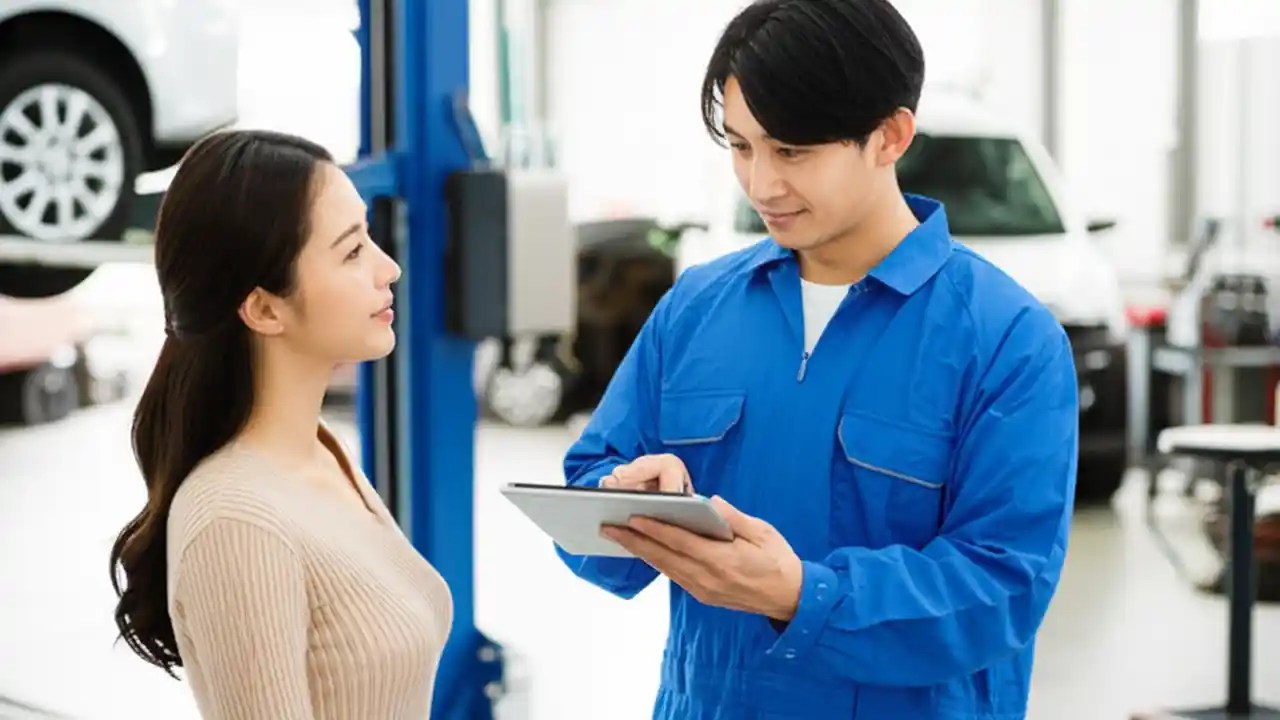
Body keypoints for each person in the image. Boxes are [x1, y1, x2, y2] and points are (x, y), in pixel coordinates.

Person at [555, 1, 1078, 718]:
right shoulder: (696, 310)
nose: (762, 183)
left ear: (890, 136)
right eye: (742, 147)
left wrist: (799, 594)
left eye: (793, 151)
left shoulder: (1007, 339)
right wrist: (628, 498)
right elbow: (586, 494)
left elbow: (1002, 586)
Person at [108, 130, 453, 719]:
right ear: (265, 308)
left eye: (368, 238)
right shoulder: (236, 521)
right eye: (351, 252)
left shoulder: (321, 454)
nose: (388, 267)